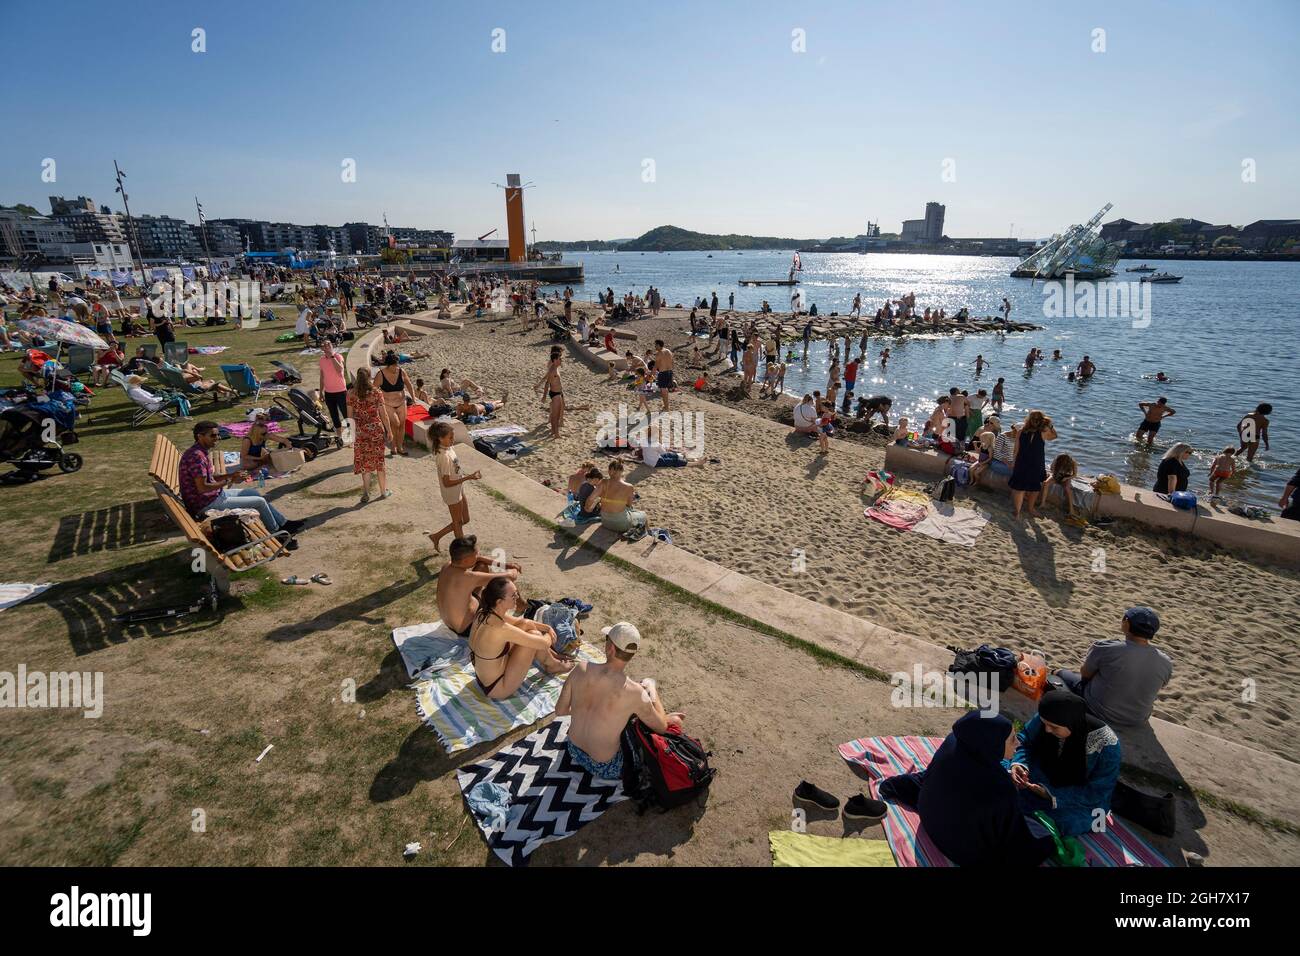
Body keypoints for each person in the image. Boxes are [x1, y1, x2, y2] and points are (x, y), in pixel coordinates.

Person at [878, 711, 1055, 867]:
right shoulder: (1000, 785)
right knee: (1044, 839)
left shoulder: (953, 742)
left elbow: (928, 776)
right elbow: (1010, 833)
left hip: (930, 816)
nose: (1017, 744)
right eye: (1012, 739)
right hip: (961, 850)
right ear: (992, 744)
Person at [555, 622, 684, 781]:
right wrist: (652, 688)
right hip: (604, 766)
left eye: (607, 639)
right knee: (671, 722)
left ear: (611, 648)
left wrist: (585, 708)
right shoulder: (635, 692)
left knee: (627, 715)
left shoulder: (580, 668)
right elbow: (662, 728)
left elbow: (560, 711)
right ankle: (668, 715)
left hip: (573, 749)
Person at [1009, 690, 1121, 837]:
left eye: (1054, 727)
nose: (1047, 730)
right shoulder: (1047, 719)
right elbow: (1025, 740)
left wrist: (1051, 795)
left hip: (1079, 799)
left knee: (1067, 822)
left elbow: (1097, 792)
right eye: (1045, 724)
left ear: (1072, 724)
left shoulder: (1106, 745)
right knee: (998, 766)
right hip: (1040, 776)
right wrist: (1019, 764)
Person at [178, 421, 304, 537]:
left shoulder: (199, 451)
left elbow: (208, 478)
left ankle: (284, 523)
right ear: (200, 436)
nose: (217, 438)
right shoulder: (196, 457)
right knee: (259, 502)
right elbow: (202, 487)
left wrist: (230, 475)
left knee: (253, 493)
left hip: (212, 497)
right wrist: (230, 480)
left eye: (217, 435)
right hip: (205, 504)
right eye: (213, 436)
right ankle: (277, 534)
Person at [1056, 607, 1172, 728]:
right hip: (1137, 719)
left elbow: (1085, 674)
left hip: (1099, 711)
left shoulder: (1107, 647)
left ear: (1126, 623)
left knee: (1060, 673)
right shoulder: (1166, 662)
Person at [467, 577, 573, 699]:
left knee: (526, 626)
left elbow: (523, 622)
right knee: (535, 636)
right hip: (498, 687)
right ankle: (553, 665)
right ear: (499, 602)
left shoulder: (483, 613)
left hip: (483, 678)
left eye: (517, 593)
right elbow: (544, 644)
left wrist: (547, 628)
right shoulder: (501, 629)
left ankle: (552, 660)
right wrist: (549, 635)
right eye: (513, 596)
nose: (517, 597)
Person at [436, 535, 522, 637]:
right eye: (476, 554)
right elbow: (511, 577)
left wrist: (506, 565)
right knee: (503, 588)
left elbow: (480, 559)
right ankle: (520, 607)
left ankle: (521, 604)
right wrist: (514, 568)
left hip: (450, 623)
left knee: (481, 565)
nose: (478, 555)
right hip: (467, 628)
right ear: (466, 561)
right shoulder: (468, 578)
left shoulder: (447, 566)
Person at [429, 421, 480, 551]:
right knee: (458, 523)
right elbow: (447, 482)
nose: (453, 439)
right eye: (450, 437)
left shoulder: (449, 448)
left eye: (453, 436)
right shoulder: (444, 456)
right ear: (440, 438)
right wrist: (468, 477)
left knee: (465, 519)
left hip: (458, 488)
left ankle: (436, 536)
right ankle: (463, 551)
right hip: (451, 492)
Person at [348, 368, 391, 503]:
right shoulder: (376, 393)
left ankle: (366, 493)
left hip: (361, 431)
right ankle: (383, 491)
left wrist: (351, 434)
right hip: (375, 430)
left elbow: (349, 417)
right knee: (379, 461)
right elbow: (383, 415)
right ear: (370, 377)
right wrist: (389, 430)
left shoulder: (350, 394)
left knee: (365, 462)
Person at [1008, 410, 1057, 518]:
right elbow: (1054, 436)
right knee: (1035, 487)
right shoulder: (1044, 432)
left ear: (1028, 419)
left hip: (1021, 462)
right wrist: (1050, 425)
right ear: (1042, 420)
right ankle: (1031, 509)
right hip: (1036, 462)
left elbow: (1016, 449)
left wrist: (1013, 462)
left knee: (1019, 488)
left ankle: (1017, 511)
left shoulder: (1021, 431)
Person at [374, 350, 413, 456]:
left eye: (397, 365)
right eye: (394, 366)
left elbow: (409, 384)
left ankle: (400, 447)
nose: (396, 367)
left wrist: (413, 397)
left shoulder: (401, 371)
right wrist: (377, 403)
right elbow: (374, 390)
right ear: (388, 365)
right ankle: (393, 446)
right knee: (395, 423)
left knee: (402, 424)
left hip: (401, 402)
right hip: (388, 404)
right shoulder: (380, 374)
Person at [598, 461, 645, 534]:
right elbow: (629, 505)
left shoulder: (603, 482)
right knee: (644, 515)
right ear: (622, 471)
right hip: (621, 525)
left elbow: (592, 498)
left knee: (628, 511)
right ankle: (650, 535)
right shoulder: (629, 486)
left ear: (608, 471)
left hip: (605, 522)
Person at [318, 338, 349, 431]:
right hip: (328, 393)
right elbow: (322, 377)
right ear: (322, 348)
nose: (327, 346)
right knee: (334, 416)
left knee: (346, 415)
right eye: (324, 345)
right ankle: (339, 436)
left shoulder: (338, 357)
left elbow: (339, 370)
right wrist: (320, 392)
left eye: (328, 344)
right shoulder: (321, 360)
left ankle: (353, 436)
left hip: (341, 392)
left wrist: (332, 356)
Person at [1043, 453, 1080, 519]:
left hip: (1066, 477)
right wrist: (1056, 475)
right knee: (1046, 483)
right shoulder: (1057, 459)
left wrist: (1066, 478)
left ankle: (1071, 510)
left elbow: (1074, 475)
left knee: (1067, 489)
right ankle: (1043, 503)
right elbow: (1052, 469)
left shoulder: (1073, 462)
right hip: (1057, 474)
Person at [654, 339, 674, 411]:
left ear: (659, 345)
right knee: (665, 390)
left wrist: (651, 374)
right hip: (670, 372)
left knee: (663, 391)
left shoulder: (659, 353)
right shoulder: (669, 351)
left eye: (655, 345)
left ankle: (666, 407)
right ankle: (666, 406)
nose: (655, 346)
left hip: (663, 373)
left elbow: (656, 366)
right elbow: (672, 361)